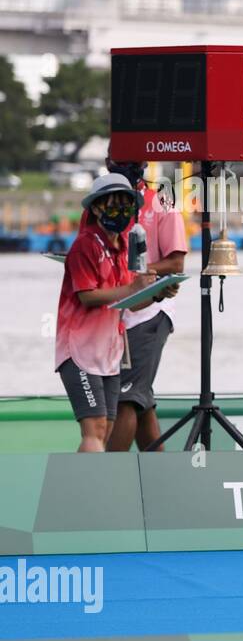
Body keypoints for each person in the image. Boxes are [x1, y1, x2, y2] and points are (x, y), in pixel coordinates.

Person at [55, 172, 157, 452]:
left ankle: (82, 490)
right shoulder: (85, 245)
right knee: (95, 428)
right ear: (97, 208)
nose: (122, 212)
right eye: (114, 205)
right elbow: (88, 297)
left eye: (127, 206)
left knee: (106, 430)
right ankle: (89, 493)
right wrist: (134, 287)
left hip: (109, 353)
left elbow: (128, 302)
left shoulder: (121, 248)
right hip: (79, 352)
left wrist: (155, 294)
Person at [105, 160, 186, 452]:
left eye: (130, 159)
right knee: (141, 400)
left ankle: (107, 479)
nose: (122, 165)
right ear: (106, 162)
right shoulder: (104, 204)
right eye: (115, 159)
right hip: (115, 313)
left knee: (126, 398)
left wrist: (131, 269)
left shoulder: (162, 201)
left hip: (151, 312)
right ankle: (164, 480)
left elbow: (177, 262)